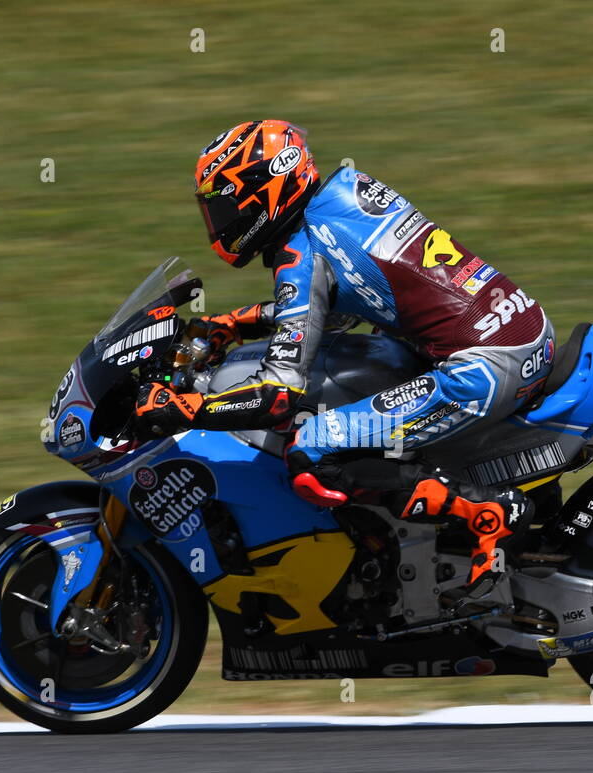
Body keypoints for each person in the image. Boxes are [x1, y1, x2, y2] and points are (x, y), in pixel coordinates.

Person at [136, 120, 555, 595]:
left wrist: (185, 409)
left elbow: (277, 395)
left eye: (227, 204)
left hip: (484, 366)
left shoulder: (302, 252)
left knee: (312, 447)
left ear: (265, 189)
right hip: (520, 325)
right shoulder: (348, 190)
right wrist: (235, 323)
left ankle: (484, 512)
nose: (221, 219)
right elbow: (347, 296)